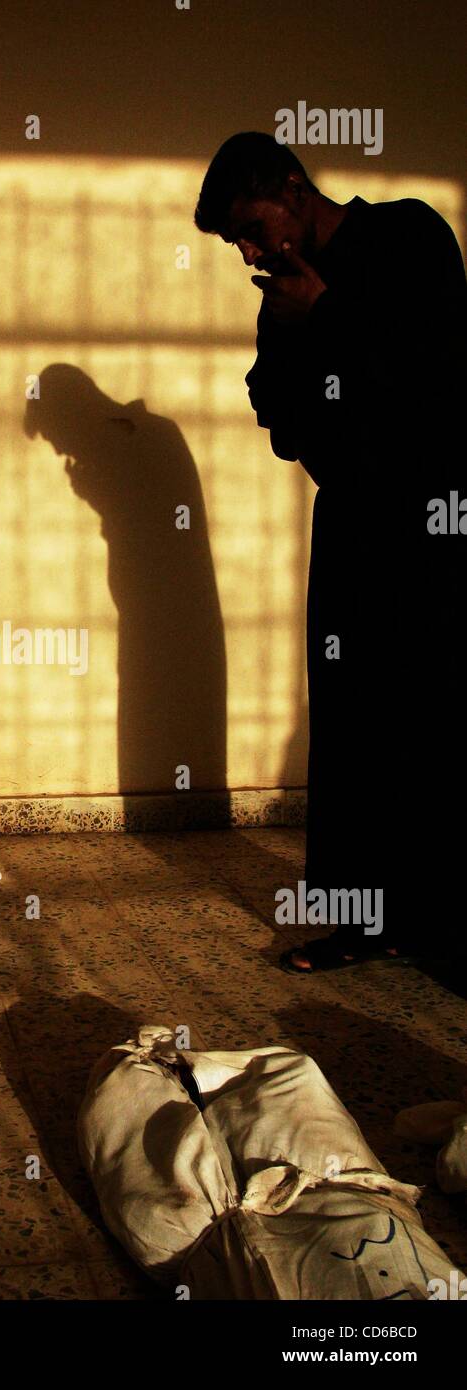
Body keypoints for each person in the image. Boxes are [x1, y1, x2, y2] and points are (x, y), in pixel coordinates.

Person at [194, 132, 465, 973]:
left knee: (438, 715)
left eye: (252, 226)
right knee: (354, 721)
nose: (249, 250)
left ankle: (449, 928)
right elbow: (272, 406)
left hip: (433, 519)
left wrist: (330, 320)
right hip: (352, 521)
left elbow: (445, 370)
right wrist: (293, 329)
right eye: (237, 241)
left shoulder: (408, 235)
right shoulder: (283, 293)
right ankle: (365, 920)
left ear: (292, 187)